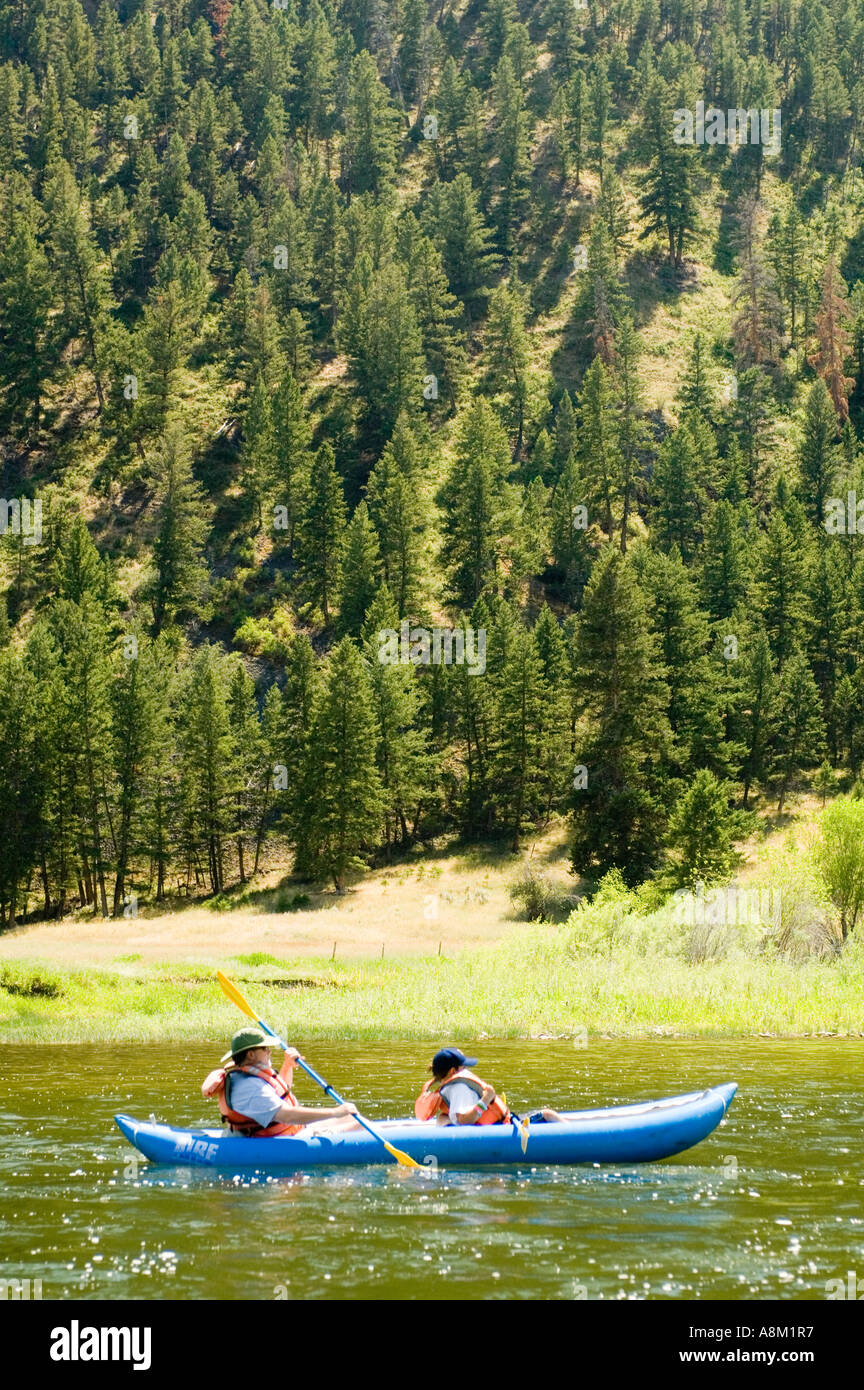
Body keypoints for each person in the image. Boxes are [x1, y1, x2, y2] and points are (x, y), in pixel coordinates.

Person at [202, 1028, 360, 1137]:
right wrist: (335, 1112)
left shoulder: (249, 1077)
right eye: (265, 1048)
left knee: (353, 1118)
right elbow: (286, 1115)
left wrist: (287, 1065)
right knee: (358, 1126)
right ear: (250, 1054)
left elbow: (280, 1095)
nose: (269, 1051)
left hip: (289, 1131)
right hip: (278, 1140)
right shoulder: (250, 1087)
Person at [414, 1047, 566, 1126]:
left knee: (442, 1117)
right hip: (499, 1127)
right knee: (547, 1114)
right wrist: (486, 1099)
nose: (466, 1070)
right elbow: (464, 1120)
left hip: (485, 1125)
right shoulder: (459, 1088)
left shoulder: (447, 1088)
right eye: (463, 1067)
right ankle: (580, 1137)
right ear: (453, 1071)